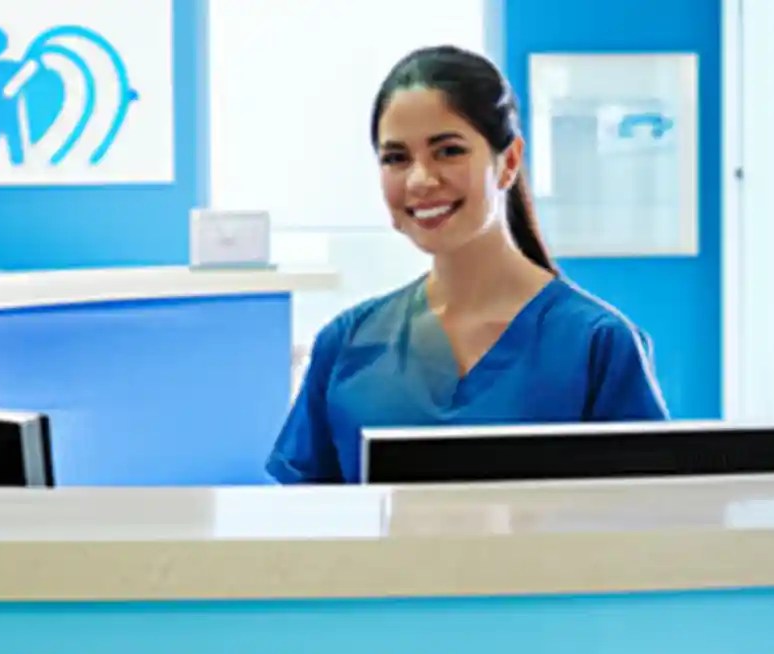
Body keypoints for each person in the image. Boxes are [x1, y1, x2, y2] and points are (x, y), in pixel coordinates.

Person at [266, 45, 669, 485]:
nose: (420, 179)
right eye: (396, 158)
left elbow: (643, 531)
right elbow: (306, 527)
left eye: (448, 151)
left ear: (509, 162)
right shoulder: (346, 345)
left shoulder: (596, 345)